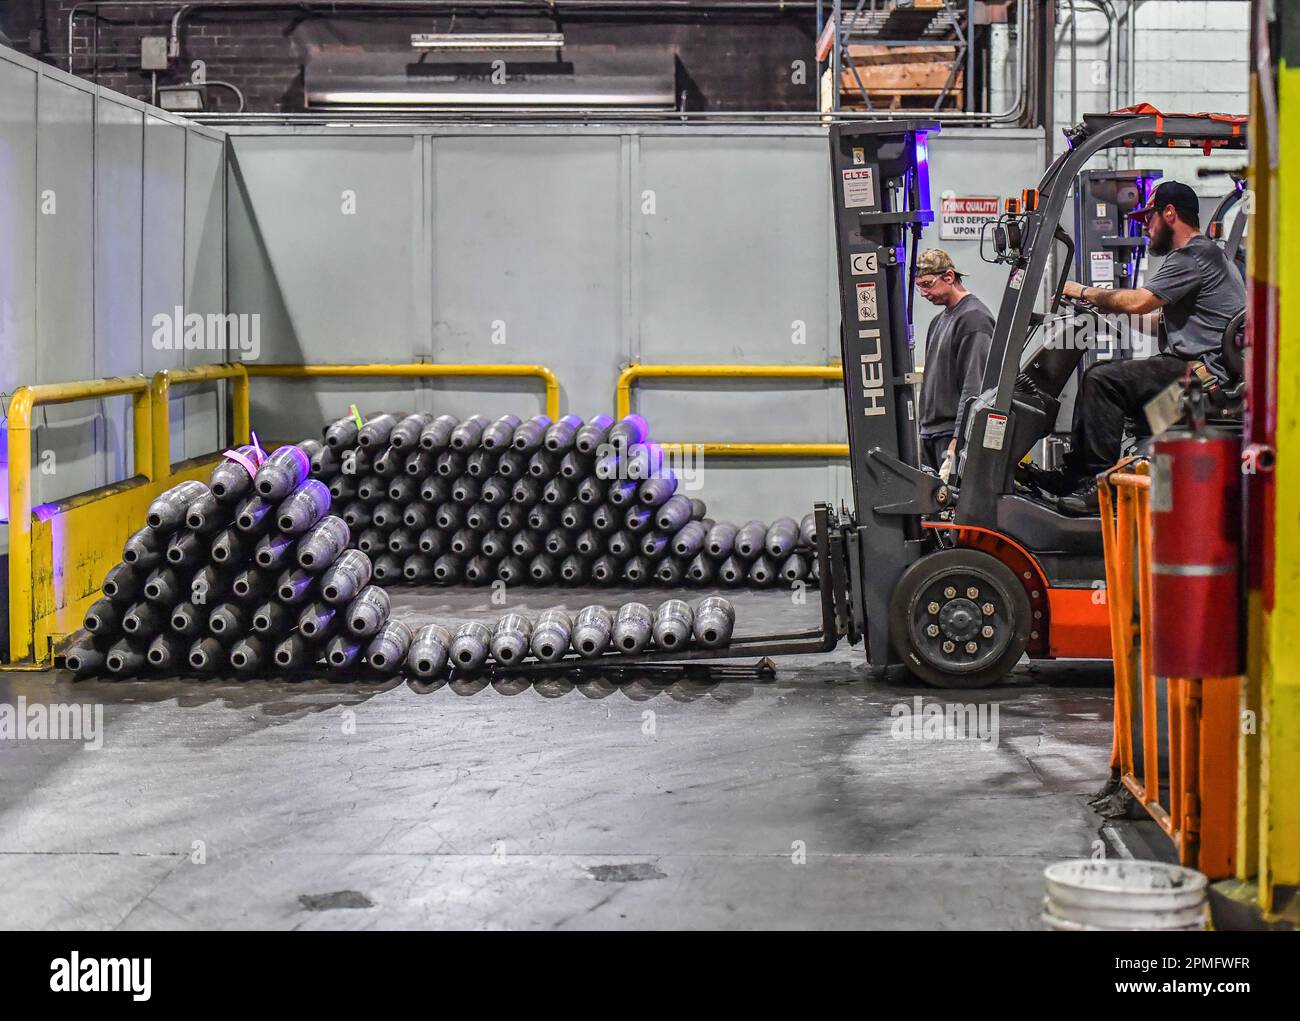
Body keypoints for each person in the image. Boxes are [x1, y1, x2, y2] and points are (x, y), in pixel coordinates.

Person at [1048, 180, 1246, 514]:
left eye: (1148, 219)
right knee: (1118, 401)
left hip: (1201, 380)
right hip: (1198, 377)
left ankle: (1098, 489)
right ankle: (1076, 477)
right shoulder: (1206, 256)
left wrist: (1084, 291)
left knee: (1102, 380)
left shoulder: (1192, 255)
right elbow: (1155, 320)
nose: (1145, 228)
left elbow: (1140, 302)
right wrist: (1111, 310)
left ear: (1169, 213)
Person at [914, 249, 995, 474]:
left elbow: (974, 385)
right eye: (918, 286)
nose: (923, 293)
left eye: (927, 284)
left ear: (949, 277)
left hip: (950, 434)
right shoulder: (938, 321)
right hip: (931, 433)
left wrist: (959, 438)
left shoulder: (973, 318)